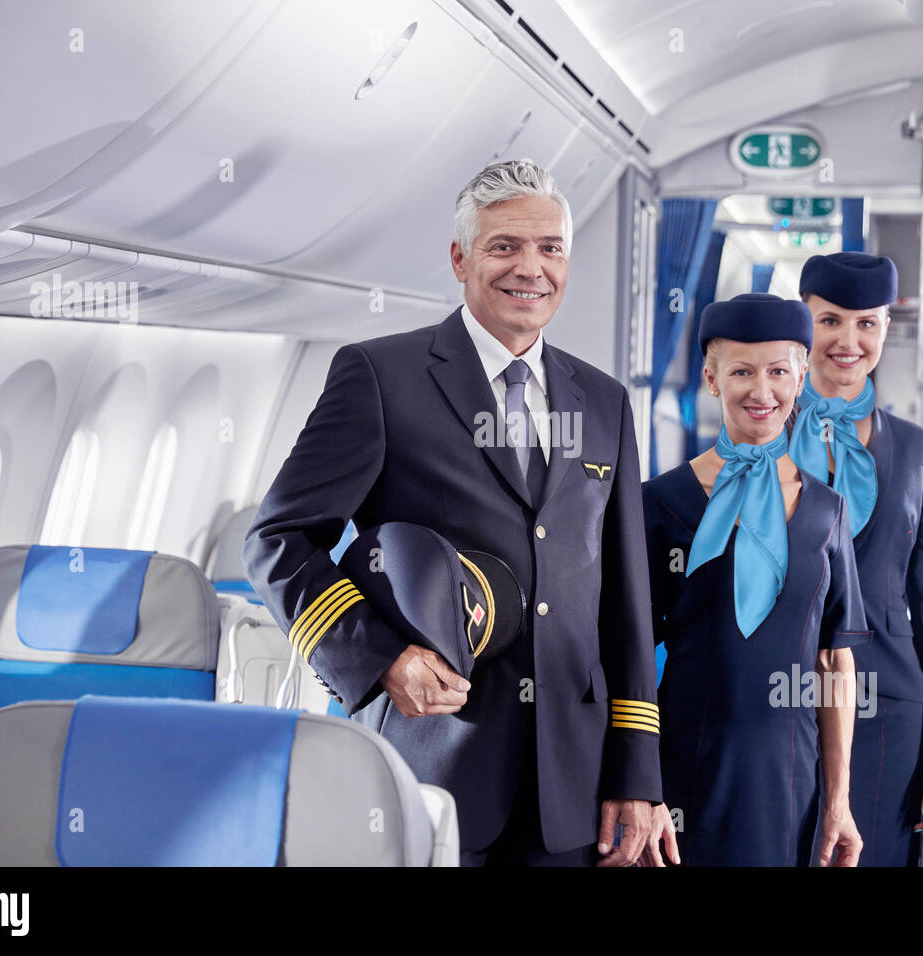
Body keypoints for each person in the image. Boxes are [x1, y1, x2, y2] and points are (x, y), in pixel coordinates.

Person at [242, 160, 661, 867]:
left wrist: (637, 775)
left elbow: (626, 605)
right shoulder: (381, 377)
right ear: (460, 258)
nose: (531, 268)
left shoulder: (605, 402)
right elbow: (279, 540)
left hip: (574, 783)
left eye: (550, 248)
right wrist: (379, 662)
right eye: (504, 246)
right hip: (434, 768)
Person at [640, 293, 869, 867]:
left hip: (791, 780)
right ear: (712, 380)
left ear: (800, 380)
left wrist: (838, 801)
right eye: (741, 371)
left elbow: (834, 662)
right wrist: (636, 789)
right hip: (682, 770)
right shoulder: (660, 502)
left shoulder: (827, 512)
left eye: (778, 372)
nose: (761, 392)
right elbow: (628, 656)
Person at [789, 251, 923, 866]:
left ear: (886, 330)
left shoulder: (916, 449)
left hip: (887, 710)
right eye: (831, 320)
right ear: (803, 322)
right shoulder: (757, 433)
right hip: (776, 694)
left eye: (867, 323)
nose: (849, 340)